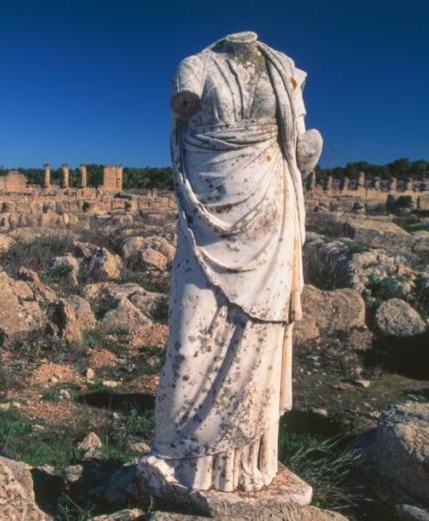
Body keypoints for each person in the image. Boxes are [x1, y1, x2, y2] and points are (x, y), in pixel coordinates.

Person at [140, 31, 322, 492]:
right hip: (206, 213)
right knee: (188, 340)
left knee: (258, 338)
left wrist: (309, 151)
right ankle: (183, 460)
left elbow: (297, 150)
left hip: (270, 215)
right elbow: (184, 117)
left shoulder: (283, 67)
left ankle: (242, 466)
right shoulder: (195, 65)